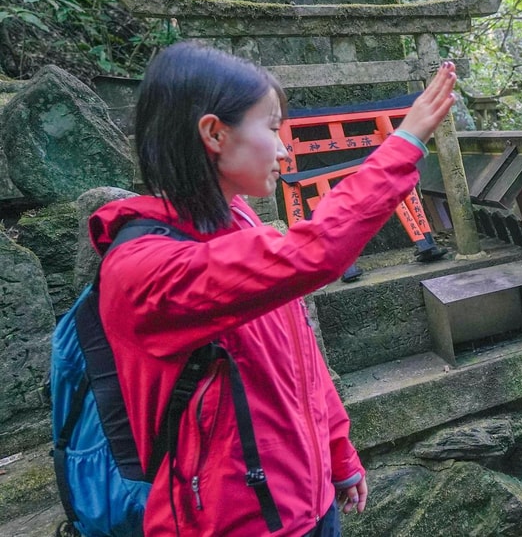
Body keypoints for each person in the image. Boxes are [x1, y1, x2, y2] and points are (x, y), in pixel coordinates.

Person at [88, 42, 456, 536]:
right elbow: (315, 251)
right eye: (272, 127)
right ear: (215, 133)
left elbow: (297, 356)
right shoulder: (146, 271)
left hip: (309, 502)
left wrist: (337, 453)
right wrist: (404, 143)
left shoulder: (238, 220)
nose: (284, 148)